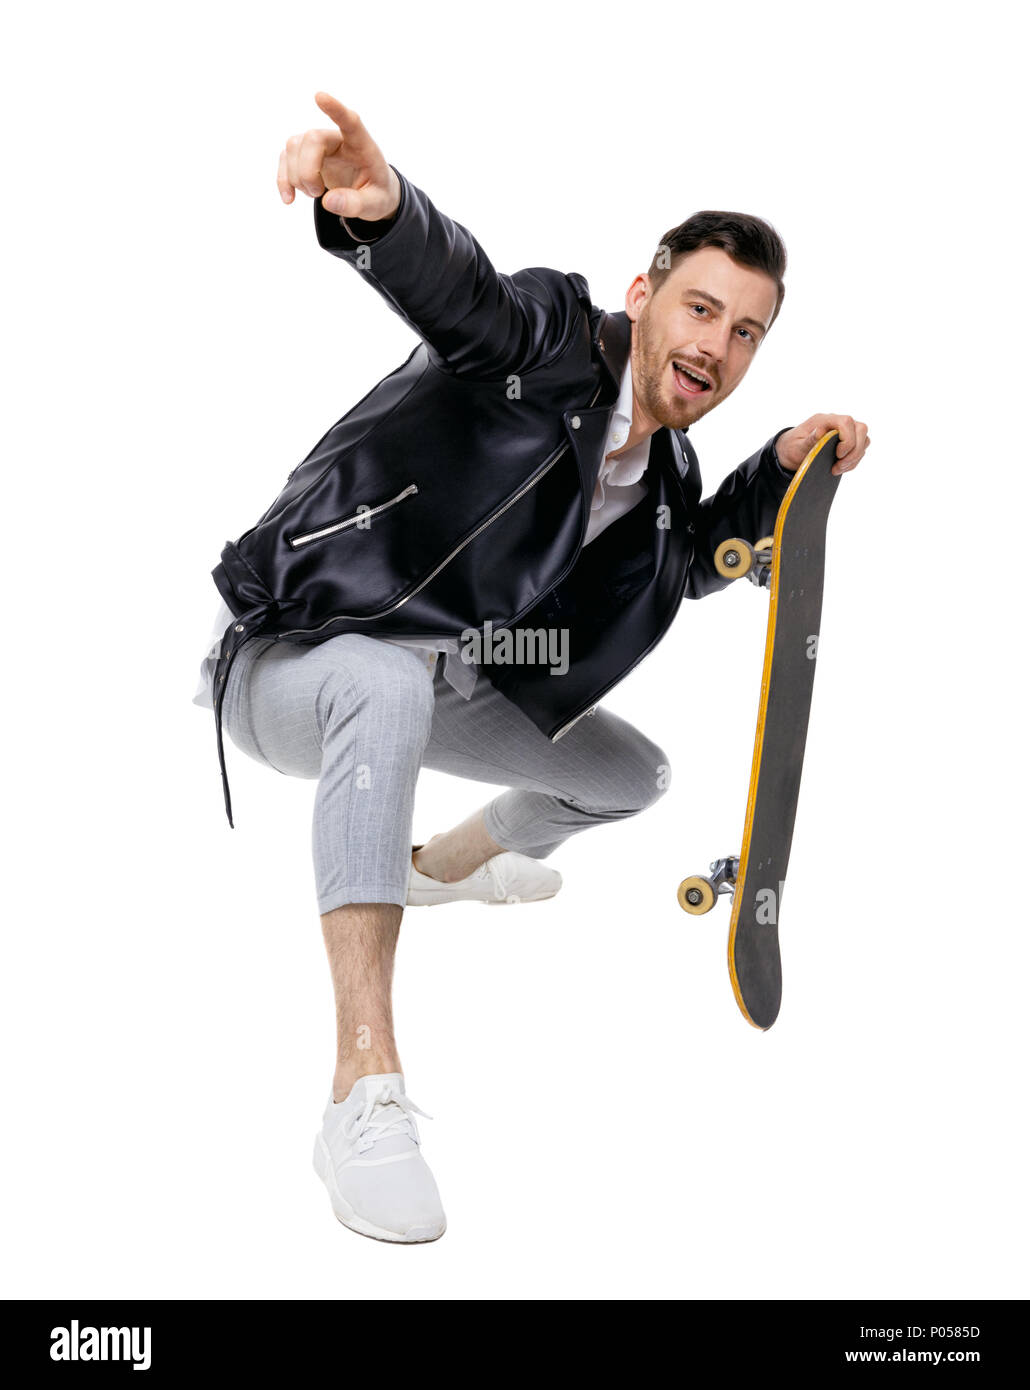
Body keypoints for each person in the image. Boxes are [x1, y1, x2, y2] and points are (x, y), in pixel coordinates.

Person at [192, 92, 869, 1244]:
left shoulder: (662, 478)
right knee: (386, 681)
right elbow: (467, 296)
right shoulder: (548, 344)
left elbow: (692, 560)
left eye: (745, 331)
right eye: (699, 308)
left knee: (625, 777)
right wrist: (384, 210)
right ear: (644, 295)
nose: (714, 344)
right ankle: (362, 1092)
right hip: (288, 651)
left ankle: (434, 868)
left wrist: (780, 475)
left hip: (456, 668)